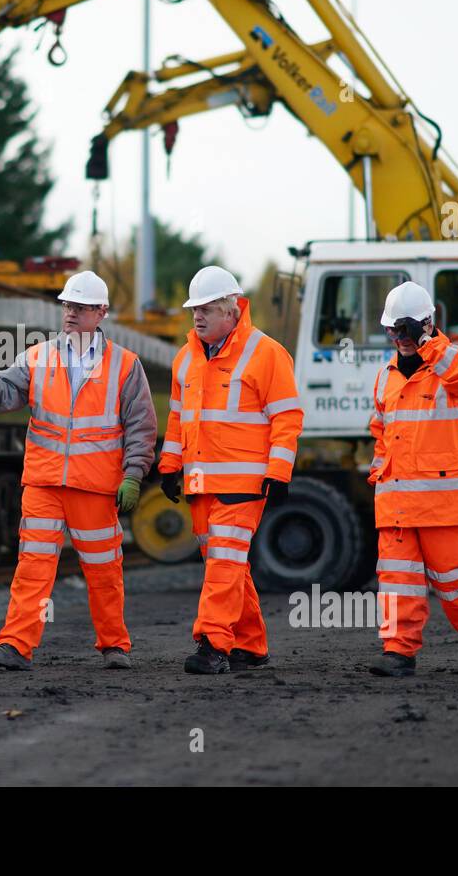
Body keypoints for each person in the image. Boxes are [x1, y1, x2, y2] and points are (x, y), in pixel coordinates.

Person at [0, 270, 157, 671]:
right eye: (67, 306)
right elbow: (3, 396)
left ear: (101, 312)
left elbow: (142, 426)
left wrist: (134, 474)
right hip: (45, 483)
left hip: (95, 488)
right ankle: (14, 645)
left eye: (80, 307)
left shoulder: (125, 366)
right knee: (32, 566)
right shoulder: (37, 355)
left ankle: (114, 645)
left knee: (103, 571)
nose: (70, 313)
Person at [158, 266, 303, 675]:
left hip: (244, 482)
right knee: (225, 563)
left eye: (206, 309)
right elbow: (176, 418)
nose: (198, 317)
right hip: (202, 482)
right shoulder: (186, 359)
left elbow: (287, 417)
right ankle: (252, 645)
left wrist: (279, 470)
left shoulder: (266, 353)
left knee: (223, 560)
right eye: (194, 310)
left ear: (232, 309)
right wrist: (170, 465)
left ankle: (213, 643)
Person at [367, 280, 458, 677]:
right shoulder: (385, 376)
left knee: (453, 579)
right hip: (397, 503)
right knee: (397, 581)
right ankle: (398, 652)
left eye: (407, 329)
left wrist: (428, 342)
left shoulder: (454, 362)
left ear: (427, 324)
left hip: (443, 504)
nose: (400, 338)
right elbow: (381, 430)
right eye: (394, 330)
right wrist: (379, 471)